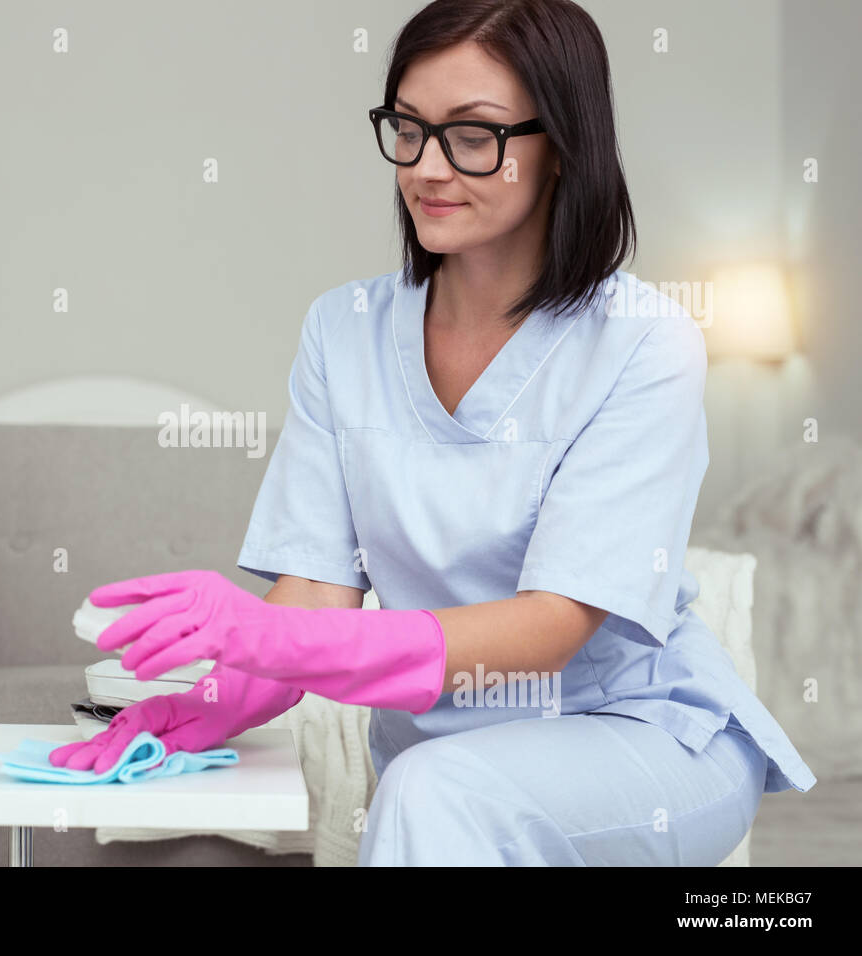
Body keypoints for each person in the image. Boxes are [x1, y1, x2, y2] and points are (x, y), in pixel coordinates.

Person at [50, 0, 815, 866]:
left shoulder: (646, 342)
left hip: (639, 737)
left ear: (561, 147)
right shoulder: (344, 331)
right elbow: (315, 596)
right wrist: (210, 701)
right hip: (450, 761)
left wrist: (262, 634)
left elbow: (551, 626)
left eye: (472, 135)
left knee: (434, 788)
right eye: (408, 128)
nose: (427, 166)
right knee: (436, 782)